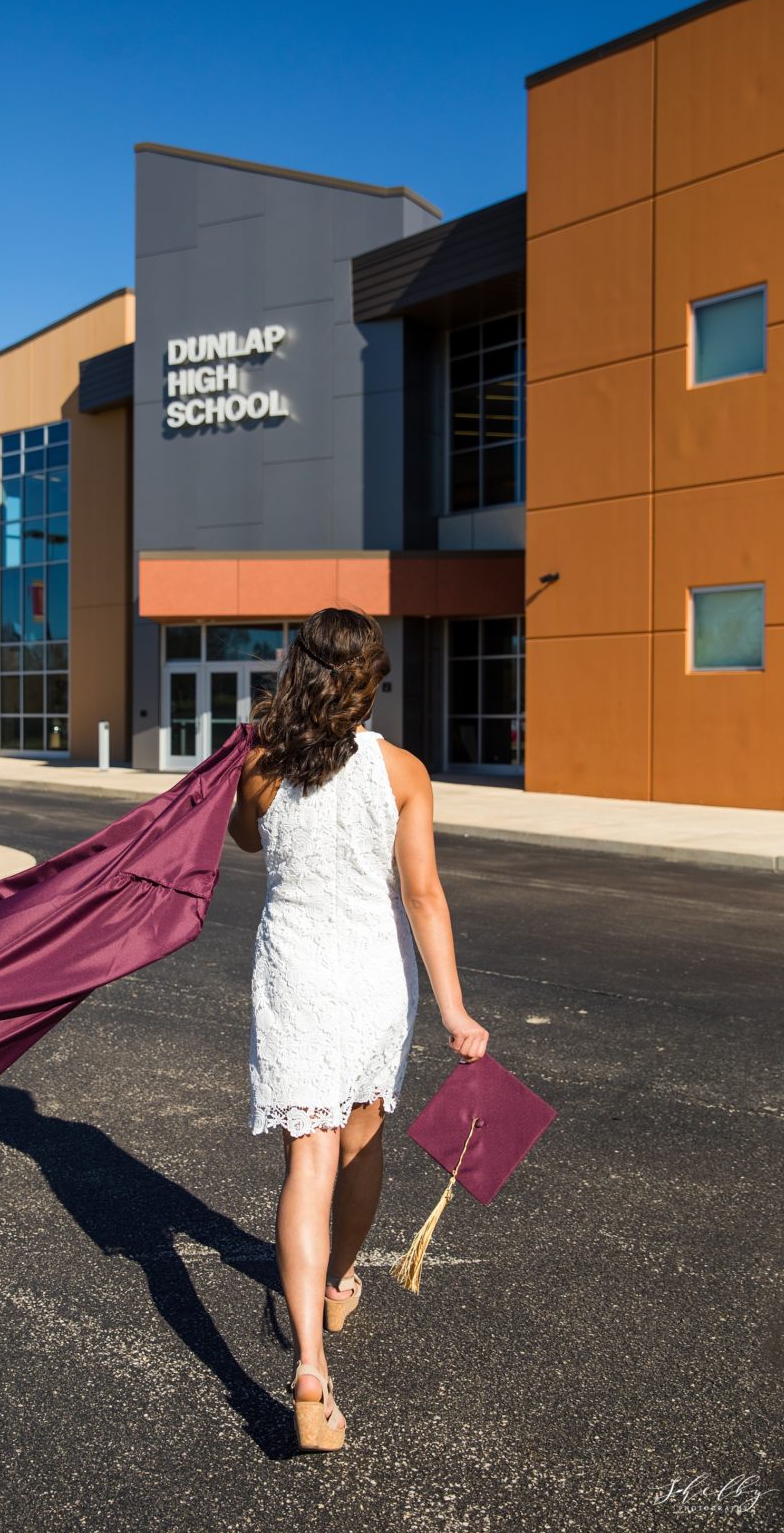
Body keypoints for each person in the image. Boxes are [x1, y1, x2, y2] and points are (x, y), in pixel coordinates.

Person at [227, 606, 489, 1452]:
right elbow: (423, 896)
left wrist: (249, 763)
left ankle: (309, 1370)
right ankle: (340, 1278)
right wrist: (453, 1008)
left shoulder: (264, 763)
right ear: (371, 677)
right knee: (360, 1141)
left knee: (309, 1156)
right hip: (376, 974)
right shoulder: (403, 770)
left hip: (294, 970)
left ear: (295, 670)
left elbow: (242, 843)